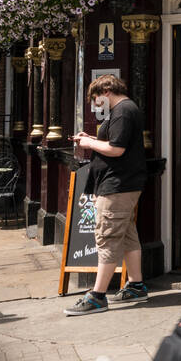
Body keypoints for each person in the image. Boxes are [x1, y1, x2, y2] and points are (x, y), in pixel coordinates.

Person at [63, 74, 149, 315]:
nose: (96, 102)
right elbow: (116, 143)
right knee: (128, 235)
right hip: (125, 185)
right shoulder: (127, 109)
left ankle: (98, 296)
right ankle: (136, 284)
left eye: (96, 97)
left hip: (117, 186)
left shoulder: (122, 111)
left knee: (108, 238)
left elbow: (116, 149)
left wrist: (89, 145)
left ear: (107, 91)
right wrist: (91, 139)